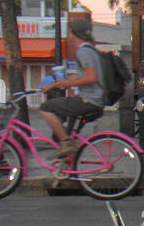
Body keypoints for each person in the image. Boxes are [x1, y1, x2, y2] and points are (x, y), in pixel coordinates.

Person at [37, 15, 105, 159]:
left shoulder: (83, 51)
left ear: (74, 33)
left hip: (89, 101)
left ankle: (66, 143)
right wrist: (54, 85)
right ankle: (68, 166)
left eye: (69, 32)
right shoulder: (91, 50)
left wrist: (67, 84)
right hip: (94, 100)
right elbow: (81, 76)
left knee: (46, 108)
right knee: (66, 129)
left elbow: (91, 77)